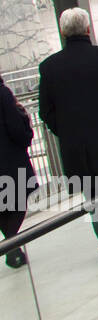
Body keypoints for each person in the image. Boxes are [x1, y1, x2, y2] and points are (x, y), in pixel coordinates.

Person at [38, 8, 98, 265]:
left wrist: (66, 132)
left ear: (63, 32)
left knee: (92, 195)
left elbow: (45, 110)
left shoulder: (49, 67)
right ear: (88, 29)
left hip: (75, 147)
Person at [0, 71, 34, 268]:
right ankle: (12, 245)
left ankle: (12, 246)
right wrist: (24, 138)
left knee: (4, 208)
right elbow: (15, 126)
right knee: (18, 202)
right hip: (9, 159)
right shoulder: (3, 93)